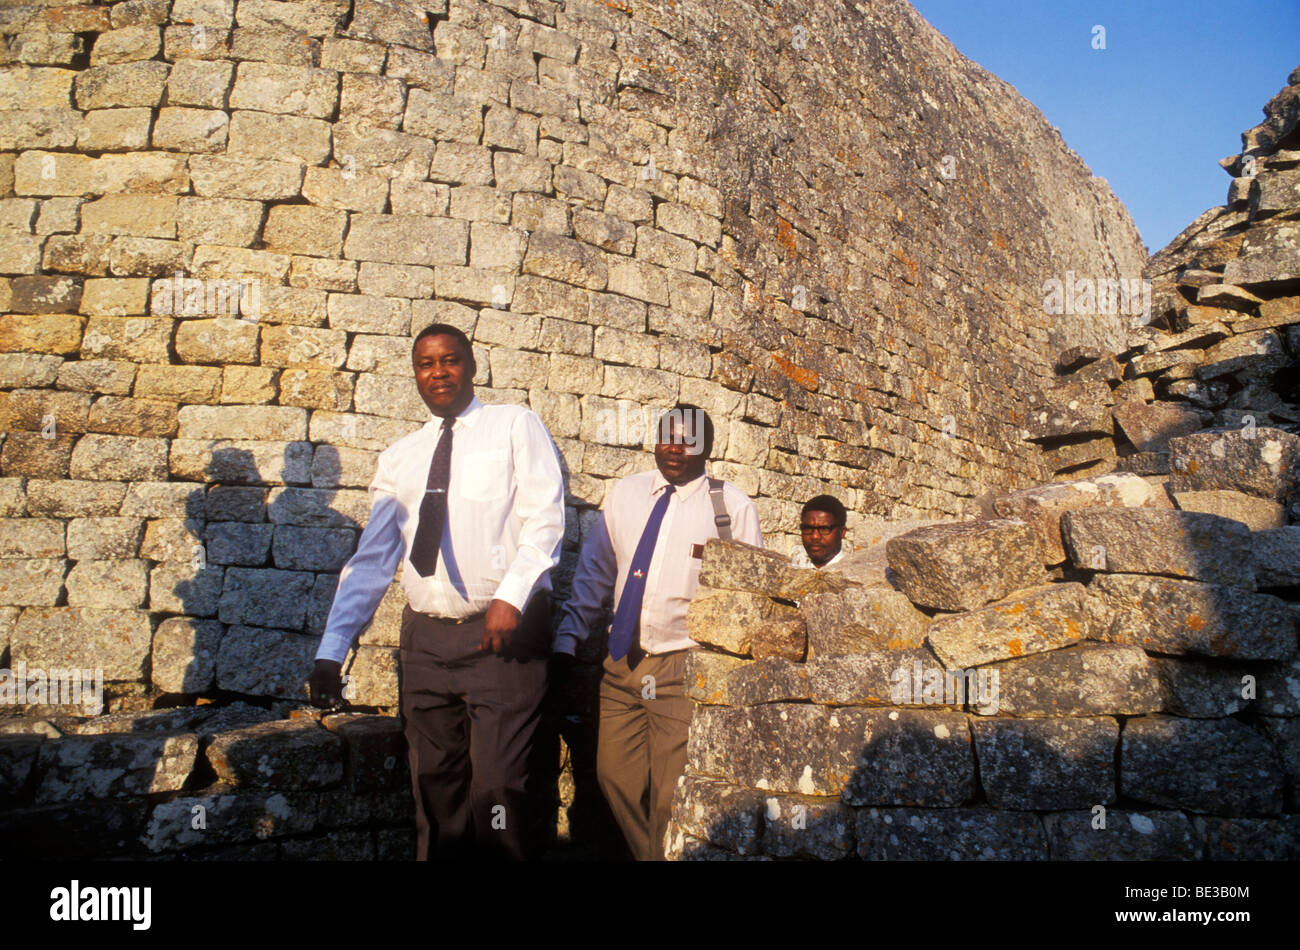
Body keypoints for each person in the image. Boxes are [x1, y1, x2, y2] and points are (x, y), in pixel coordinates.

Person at [308, 323, 565, 861]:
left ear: (472, 366)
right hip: (425, 645)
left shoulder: (515, 426)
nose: (439, 372)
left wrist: (511, 596)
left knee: (499, 789)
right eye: (426, 364)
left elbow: (544, 521)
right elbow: (374, 559)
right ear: (415, 377)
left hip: (499, 641)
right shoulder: (400, 456)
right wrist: (331, 651)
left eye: (450, 360)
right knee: (434, 786)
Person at [554, 404, 762, 860]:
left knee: (670, 793)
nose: (675, 448)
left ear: (707, 447)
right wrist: (568, 638)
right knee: (614, 776)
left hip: (680, 665)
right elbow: (594, 572)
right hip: (622, 662)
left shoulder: (729, 507)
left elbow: (748, 594)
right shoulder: (627, 495)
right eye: (667, 437)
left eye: (688, 439)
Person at [799, 494, 848, 569]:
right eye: (808, 528)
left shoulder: (858, 577)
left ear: (842, 532)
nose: (815, 536)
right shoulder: (788, 575)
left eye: (824, 529)